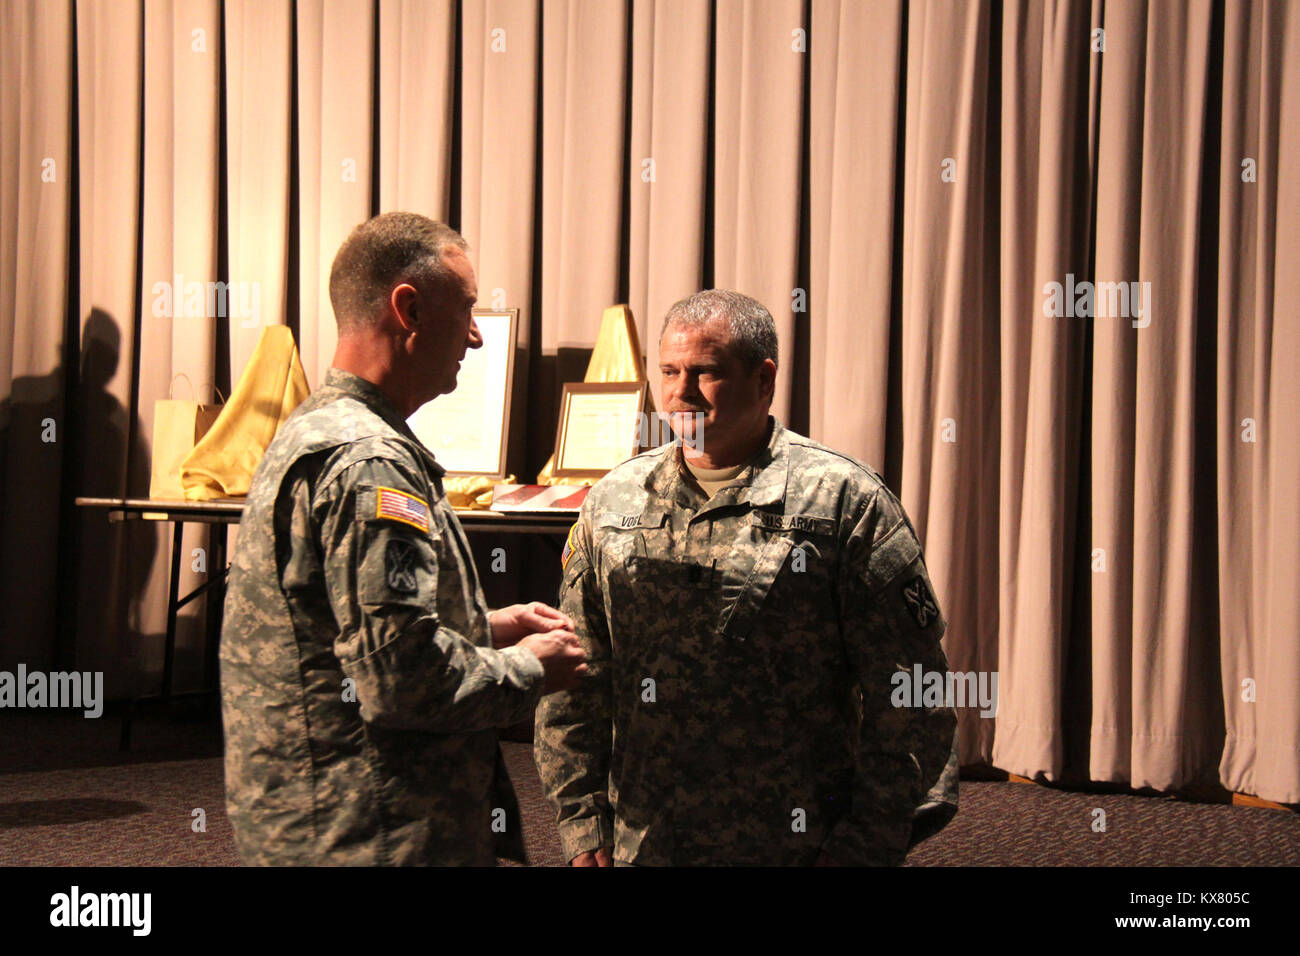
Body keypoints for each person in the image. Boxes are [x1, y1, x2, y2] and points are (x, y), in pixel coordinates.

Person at [534, 289, 958, 866]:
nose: (680, 394)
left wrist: (868, 843)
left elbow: (910, 690)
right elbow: (576, 676)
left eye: (706, 373)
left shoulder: (844, 501)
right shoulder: (612, 501)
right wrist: (582, 823)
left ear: (764, 380)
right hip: (648, 840)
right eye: (668, 371)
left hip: (797, 844)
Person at [220, 212, 587, 865]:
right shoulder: (370, 461)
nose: (476, 337)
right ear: (409, 309)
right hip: (374, 833)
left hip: (316, 822)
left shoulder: (318, 427)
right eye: (468, 309)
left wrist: (480, 623)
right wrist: (532, 666)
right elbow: (401, 680)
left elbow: (340, 628)